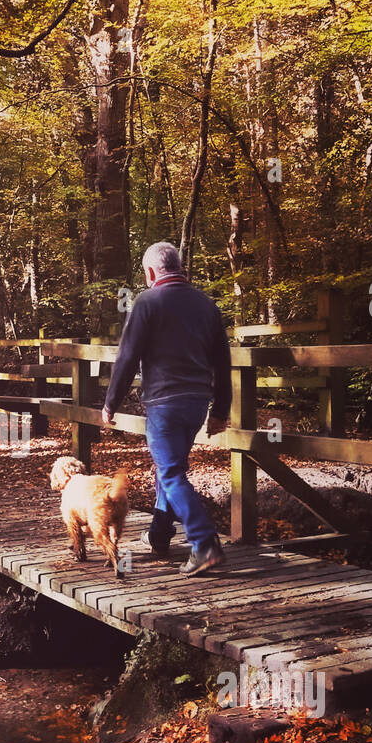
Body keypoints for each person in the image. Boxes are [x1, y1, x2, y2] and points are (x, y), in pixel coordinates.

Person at [101, 242, 231, 575]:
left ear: (150, 272)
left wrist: (110, 402)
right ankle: (159, 535)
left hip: (164, 403)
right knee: (167, 469)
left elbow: (127, 357)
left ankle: (205, 543)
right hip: (197, 403)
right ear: (179, 266)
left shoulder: (146, 302)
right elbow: (222, 362)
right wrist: (220, 410)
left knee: (171, 473)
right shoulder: (207, 306)